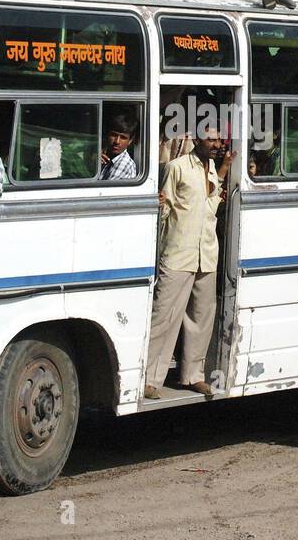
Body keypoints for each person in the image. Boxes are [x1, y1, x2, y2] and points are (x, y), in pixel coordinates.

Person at [144, 126, 233, 399]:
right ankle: (150, 379)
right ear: (196, 140)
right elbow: (164, 209)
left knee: (201, 318)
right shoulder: (176, 167)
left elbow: (209, 209)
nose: (216, 144)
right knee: (164, 317)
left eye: (218, 139)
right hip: (178, 253)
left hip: (206, 253)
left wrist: (224, 171)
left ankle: (193, 376)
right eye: (210, 139)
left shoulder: (212, 172)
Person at [98, 112, 139, 181]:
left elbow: (104, 190)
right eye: (114, 135)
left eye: (123, 137)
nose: (117, 141)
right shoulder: (104, 155)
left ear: (130, 141)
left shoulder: (123, 164)